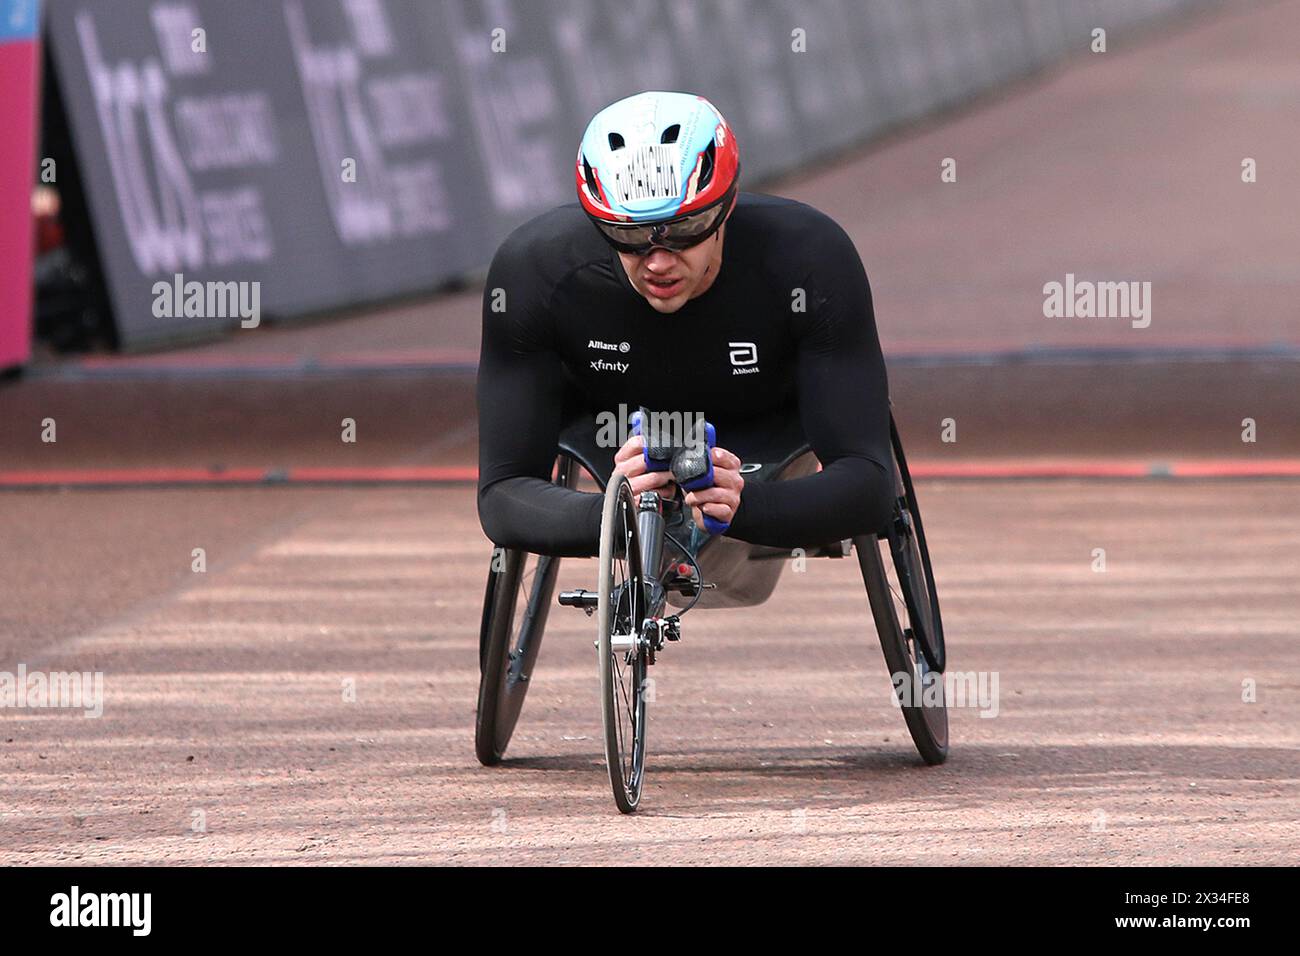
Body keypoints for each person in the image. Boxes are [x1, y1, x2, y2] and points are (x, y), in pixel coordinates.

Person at [476, 90, 894, 558]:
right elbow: (502, 493)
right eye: (629, 235)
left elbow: (870, 481)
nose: (657, 262)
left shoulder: (810, 258)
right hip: (610, 430)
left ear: (725, 208)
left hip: (765, 431)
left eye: (683, 231)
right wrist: (610, 516)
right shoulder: (536, 270)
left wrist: (745, 505)